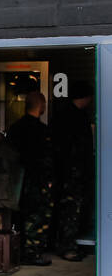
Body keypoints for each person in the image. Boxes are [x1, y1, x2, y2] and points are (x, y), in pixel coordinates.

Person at [5, 91, 54, 266]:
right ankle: (32, 252)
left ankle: (19, 250)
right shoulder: (41, 131)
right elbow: (46, 159)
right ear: (41, 106)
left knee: (20, 216)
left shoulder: (15, 128)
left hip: (16, 180)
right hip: (37, 180)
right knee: (37, 217)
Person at [51, 81, 95, 261]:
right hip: (73, 174)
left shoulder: (61, 115)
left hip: (63, 172)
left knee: (65, 209)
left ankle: (62, 244)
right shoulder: (78, 118)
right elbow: (80, 148)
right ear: (85, 98)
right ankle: (67, 247)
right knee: (71, 211)